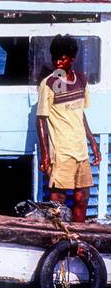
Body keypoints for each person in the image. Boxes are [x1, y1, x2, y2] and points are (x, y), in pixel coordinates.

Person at [37, 34, 102, 223]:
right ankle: (58, 242)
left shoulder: (82, 80)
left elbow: (80, 114)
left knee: (82, 199)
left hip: (80, 151)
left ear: (72, 59)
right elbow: (41, 119)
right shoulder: (49, 83)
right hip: (61, 152)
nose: (58, 62)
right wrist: (45, 155)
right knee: (58, 201)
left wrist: (93, 143)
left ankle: (79, 243)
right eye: (55, 57)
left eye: (62, 58)